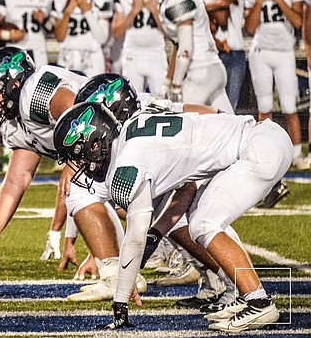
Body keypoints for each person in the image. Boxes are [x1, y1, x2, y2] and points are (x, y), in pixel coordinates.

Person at [53, 101, 290, 331]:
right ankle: (245, 294)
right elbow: (186, 188)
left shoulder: (127, 166)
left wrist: (120, 301)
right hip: (265, 139)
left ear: (95, 143)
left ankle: (259, 302)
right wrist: (157, 233)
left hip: (258, 149)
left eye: (79, 155)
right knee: (199, 216)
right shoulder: (132, 133)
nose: (80, 164)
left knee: (205, 224)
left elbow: (134, 238)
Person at [0, 50, 151, 302]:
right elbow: (15, 181)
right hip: (112, 150)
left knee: (164, 206)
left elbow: (85, 111)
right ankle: (116, 271)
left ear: (14, 81)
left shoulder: (35, 92)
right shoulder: (16, 123)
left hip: (138, 131)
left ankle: (134, 268)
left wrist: (74, 161)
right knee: (91, 193)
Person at [243, 0, 310, 169]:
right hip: (261, 52)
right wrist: (260, 1)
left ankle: (297, 154)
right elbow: (251, 27)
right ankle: (265, 153)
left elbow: (298, 22)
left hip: (285, 52)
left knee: (290, 105)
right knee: (264, 106)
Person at [143, 0, 232, 112]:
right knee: (230, 125)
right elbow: (177, 46)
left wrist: (176, 85)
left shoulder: (179, 0)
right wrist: (168, 80)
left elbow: (185, 50)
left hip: (201, 71)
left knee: (177, 116)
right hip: (212, 69)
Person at [110, 0, 168, 93]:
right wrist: (133, 12)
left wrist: (155, 12)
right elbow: (116, 33)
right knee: (132, 103)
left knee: (162, 102)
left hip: (157, 54)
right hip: (132, 55)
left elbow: (169, 34)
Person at [201, 0, 247, 111]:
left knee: (230, 105)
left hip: (235, 53)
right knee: (211, 105)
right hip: (212, 54)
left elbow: (226, 1)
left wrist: (203, 8)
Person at [52, 0, 112, 77]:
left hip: (92, 58)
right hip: (67, 56)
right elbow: (59, 37)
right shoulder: (61, 0)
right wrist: (67, 12)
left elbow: (102, 38)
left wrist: (87, 11)